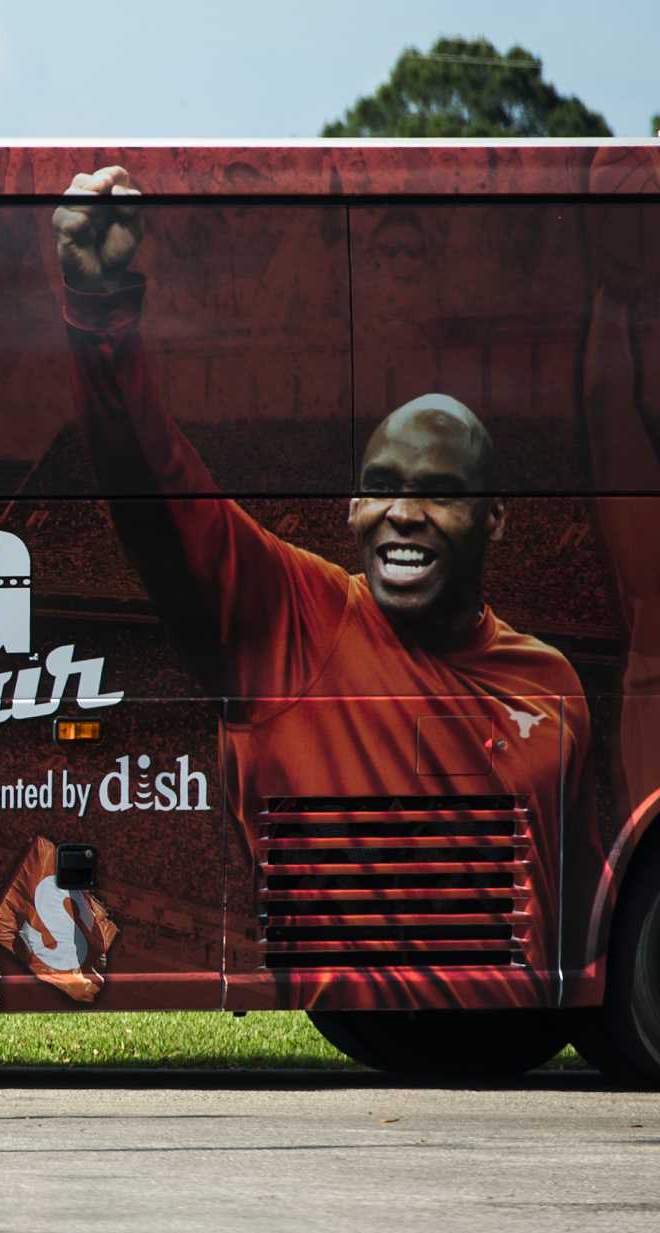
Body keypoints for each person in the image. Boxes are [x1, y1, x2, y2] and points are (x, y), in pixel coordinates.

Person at [51, 167, 589, 987]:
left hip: (505, 1056)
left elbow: (578, 927)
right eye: (382, 487)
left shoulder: (551, 684)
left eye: (440, 492)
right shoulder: (302, 621)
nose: (404, 513)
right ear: (352, 509)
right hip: (374, 1047)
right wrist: (101, 316)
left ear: (496, 519)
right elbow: (158, 491)